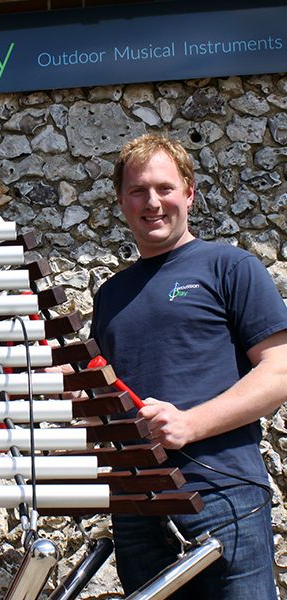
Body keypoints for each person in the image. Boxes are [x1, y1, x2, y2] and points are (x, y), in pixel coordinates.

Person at [90, 134, 287, 599]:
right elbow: (111, 398)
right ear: (121, 201)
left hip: (223, 495)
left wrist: (189, 424)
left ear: (190, 192)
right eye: (138, 191)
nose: (152, 202)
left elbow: (279, 371)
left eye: (164, 188)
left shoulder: (231, 267)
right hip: (137, 505)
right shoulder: (110, 296)